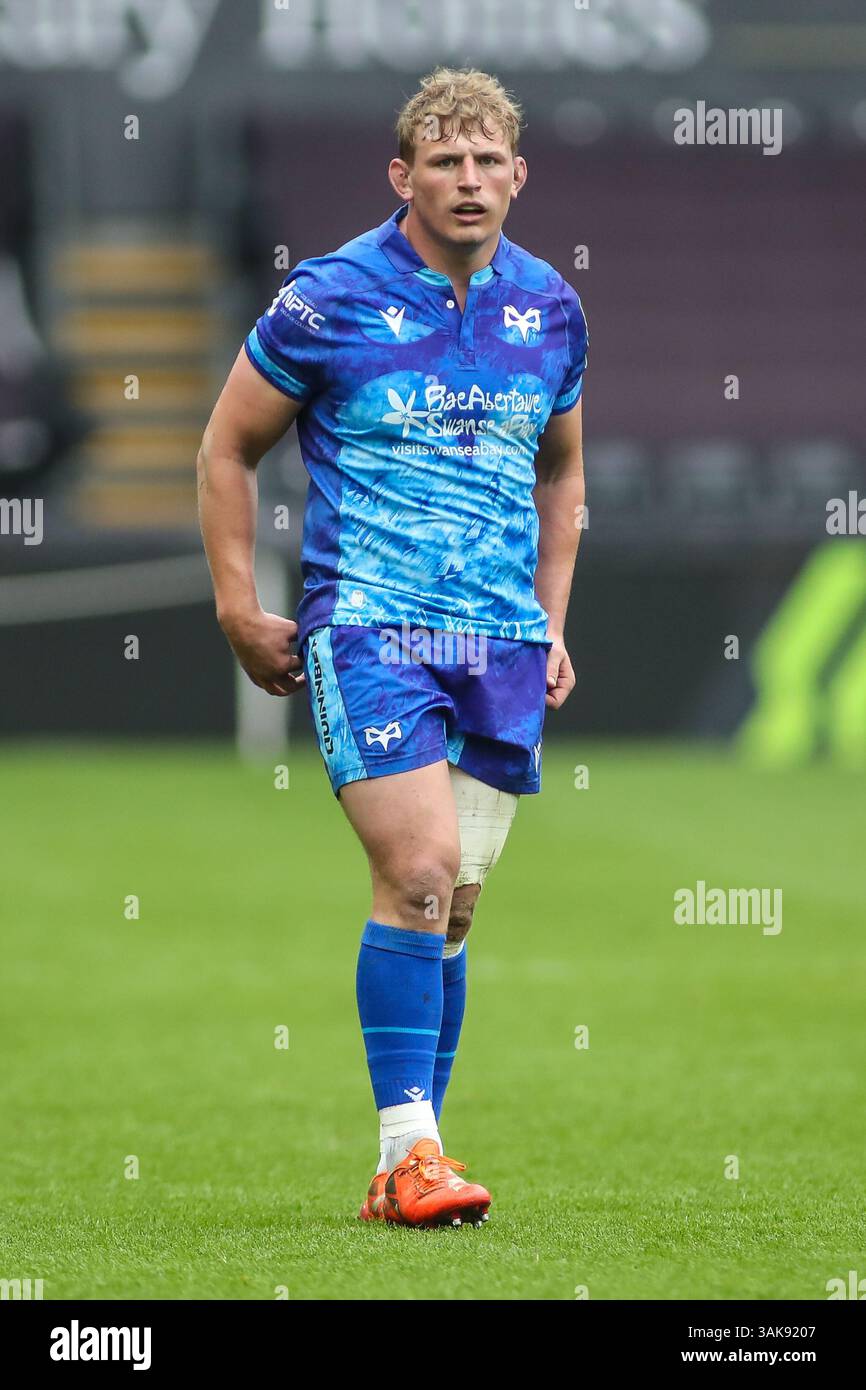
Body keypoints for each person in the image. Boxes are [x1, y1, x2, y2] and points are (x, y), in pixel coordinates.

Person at [197, 66, 588, 1229]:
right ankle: (412, 1152)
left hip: (500, 642)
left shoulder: (550, 308)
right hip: (368, 627)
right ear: (401, 176)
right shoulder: (328, 298)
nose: (465, 181)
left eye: (485, 162)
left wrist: (552, 619)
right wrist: (232, 604)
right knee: (415, 872)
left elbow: (561, 470)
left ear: (517, 175)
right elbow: (226, 450)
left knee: (450, 904)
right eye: (442, 162)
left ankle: (404, 1161)